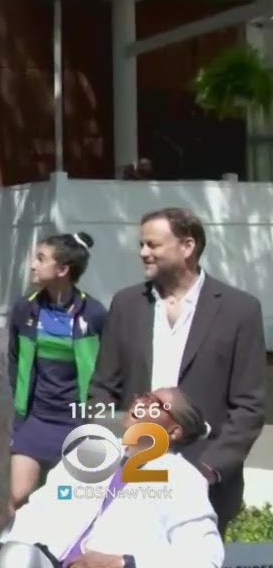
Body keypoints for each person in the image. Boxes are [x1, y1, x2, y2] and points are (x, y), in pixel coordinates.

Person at [88, 206, 265, 533]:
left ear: (187, 246)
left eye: (153, 245)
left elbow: (249, 406)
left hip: (204, 477)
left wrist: (208, 470)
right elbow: (102, 387)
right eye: (141, 244)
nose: (143, 253)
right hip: (133, 469)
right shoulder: (127, 304)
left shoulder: (239, 310)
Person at [0, 387, 224, 567]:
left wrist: (124, 563)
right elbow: (43, 507)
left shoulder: (182, 479)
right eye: (143, 396)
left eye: (155, 404)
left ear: (173, 431)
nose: (140, 403)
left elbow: (204, 559)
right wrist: (8, 544)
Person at [8, 232, 107, 512]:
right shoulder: (25, 308)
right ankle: (10, 539)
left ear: (63, 269)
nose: (33, 265)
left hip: (76, 422)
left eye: (41, 259)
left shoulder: (94, 314)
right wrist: (21, 408)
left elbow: (107, 370)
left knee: (68, 504)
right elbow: (14, 359)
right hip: (36, 418)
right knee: (19, 496)